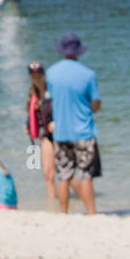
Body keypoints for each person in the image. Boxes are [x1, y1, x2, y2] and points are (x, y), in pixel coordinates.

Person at [46, 33, 101, 215]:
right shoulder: (88, 74)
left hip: (61, 133)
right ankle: (91, 213)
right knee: (86, 175)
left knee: (64, 176)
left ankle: (63, 213)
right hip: (83, 132)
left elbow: (48, 102)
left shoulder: (51, 73)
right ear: (78, 51)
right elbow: (95, 105)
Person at [24, 61, 59, 210]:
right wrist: (28, 126)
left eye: (39, 74)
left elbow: (64, 108)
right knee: (48, 173)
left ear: (44, 75)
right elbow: (31, 115)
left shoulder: (52, 92)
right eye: (33, 75)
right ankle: (51, 203)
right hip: (45, 136)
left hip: (60, 134)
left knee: (64, 171)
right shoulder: (32, 94)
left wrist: (58, 122)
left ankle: (79, 195)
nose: (36, 78)